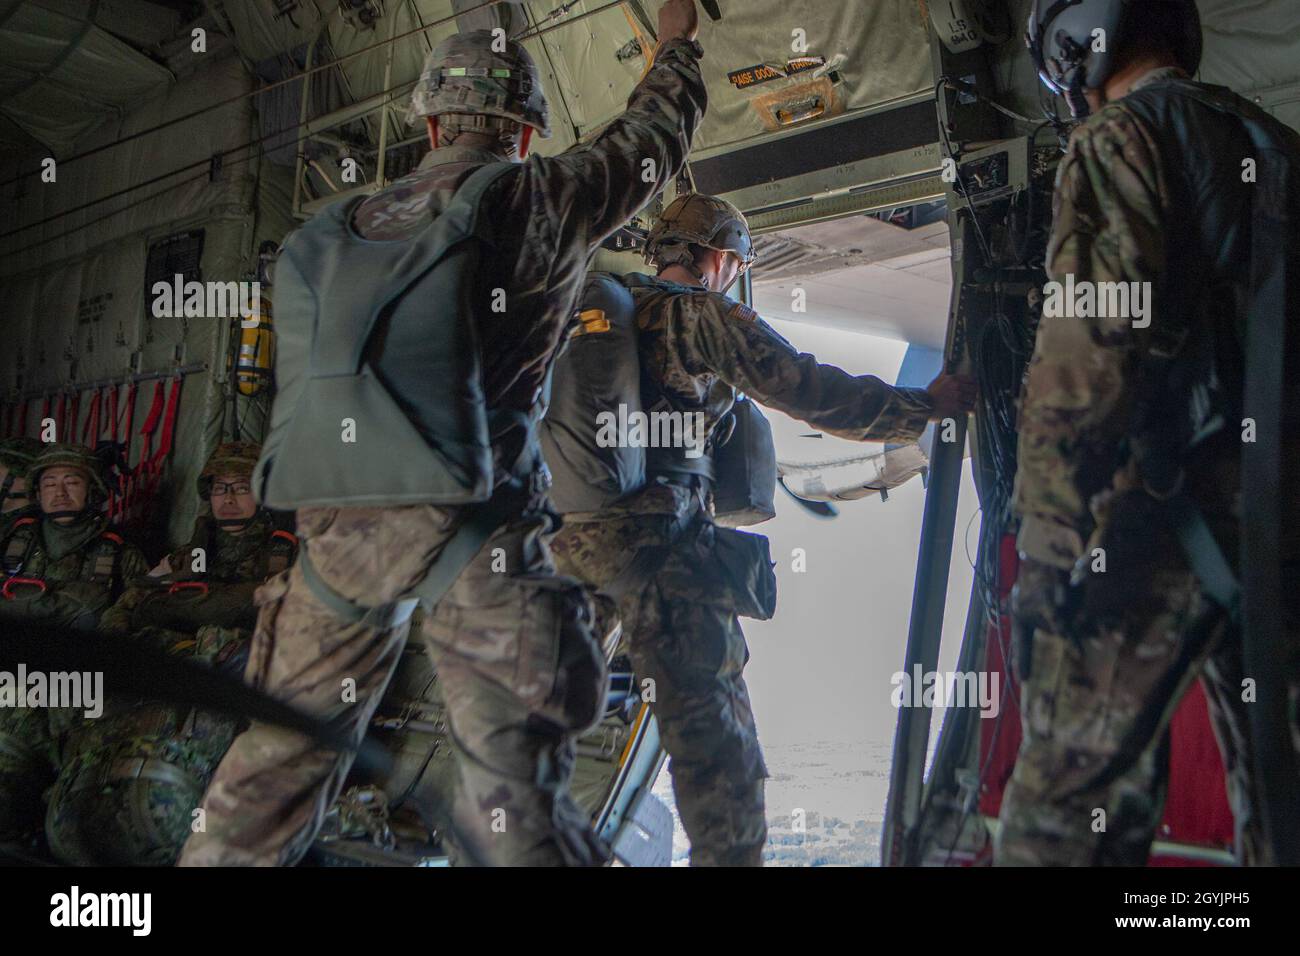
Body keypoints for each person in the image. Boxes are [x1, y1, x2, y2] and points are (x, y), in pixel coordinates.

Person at [179, 0, 708, 866]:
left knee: (275, 765)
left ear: (427, 122)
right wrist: (676, 45)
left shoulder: (341, 225)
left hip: (334, 536)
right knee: (512, 791)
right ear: (527, 132)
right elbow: (650, 143)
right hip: (476, 526)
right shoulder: (543, 197)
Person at [548, 193, 977, 864]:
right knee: (723, 768)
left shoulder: (592, 310)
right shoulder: (703, 317)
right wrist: (922, 406)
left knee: (552, 743)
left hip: (567, 552)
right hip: (663, 560)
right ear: (718, 259)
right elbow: (808, 390)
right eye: (735, 261)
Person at [1003, 0, 1300, 865]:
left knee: (1067, 808)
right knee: (1280, 804)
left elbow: (1085, 357)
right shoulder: (1280, 145)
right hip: (1281, 533)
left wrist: (1051, 546)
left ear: (1074, 51)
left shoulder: (1120, 138)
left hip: (1165, 515)